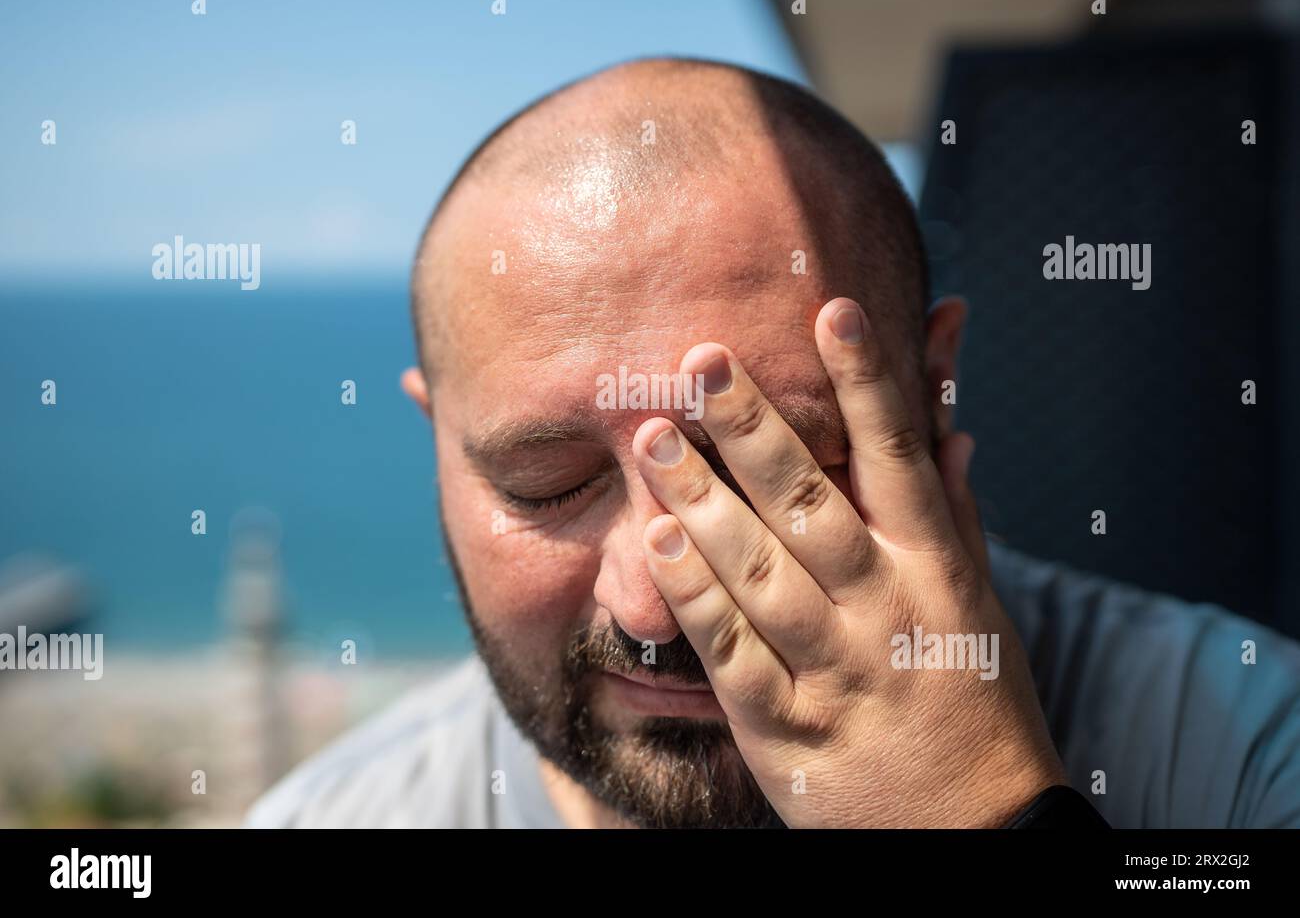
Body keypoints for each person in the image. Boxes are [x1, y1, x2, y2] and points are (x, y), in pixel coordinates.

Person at [247, 57, 1300, 828]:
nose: (656, 602)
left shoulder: (1245, 750)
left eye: (767, 467)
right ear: (439, 440)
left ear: (929, 390)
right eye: (548, 484)